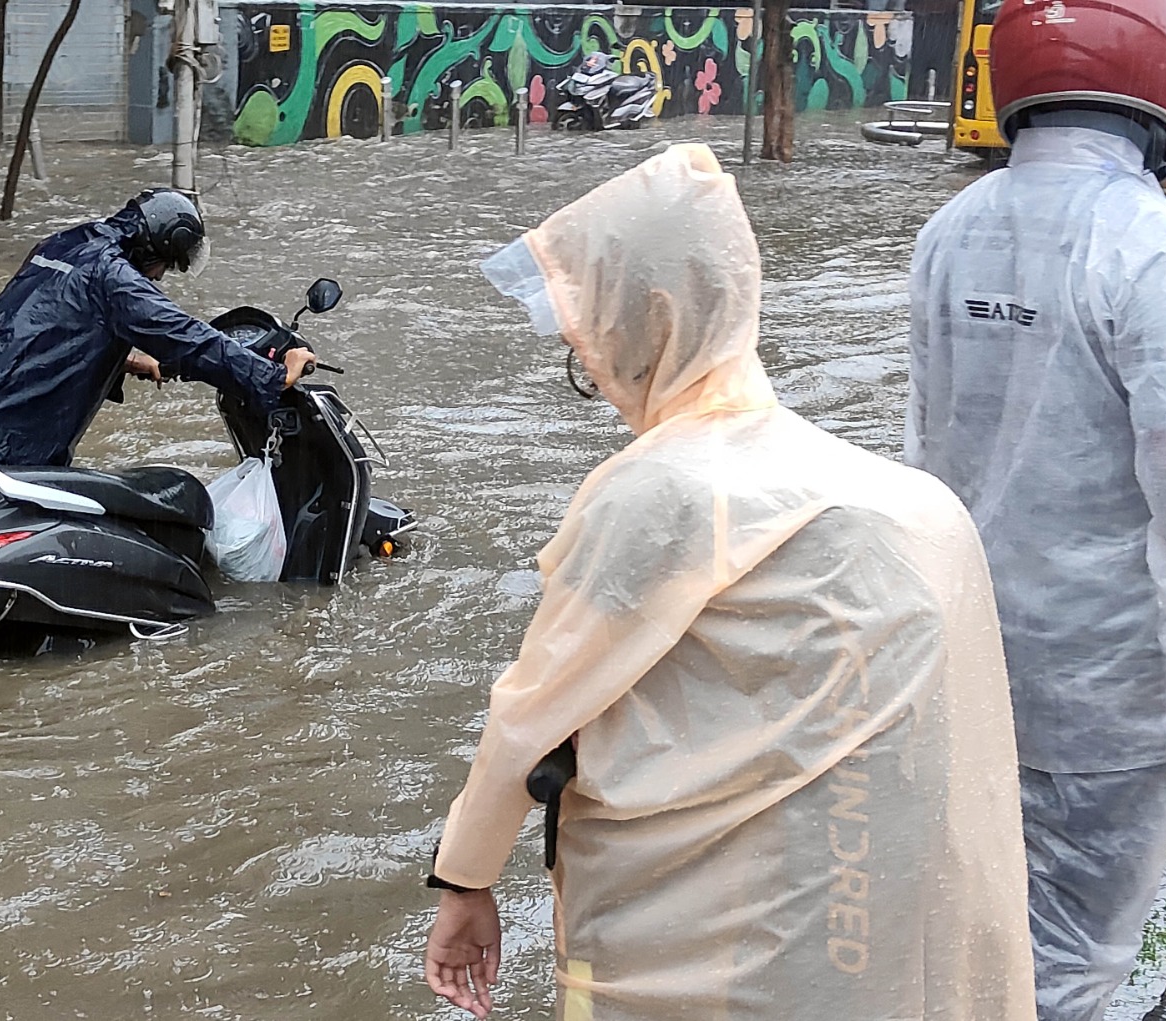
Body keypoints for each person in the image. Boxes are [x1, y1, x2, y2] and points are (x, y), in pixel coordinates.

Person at [423, 143, 1036, 1021]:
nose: (590, 370)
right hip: (872, 935)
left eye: (586, 340)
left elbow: (533, 711)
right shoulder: (913, 502)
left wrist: (464, 879)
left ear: (642, 320)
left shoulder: (664, 491)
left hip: (701, 947)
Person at [903, 2, 1166, 1019]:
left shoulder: (946, 232)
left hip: (963, 657)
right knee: (1075, 958)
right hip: (1112, 690)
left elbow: (925, 449)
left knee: (975, 916)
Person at [0, 188, 316, 467]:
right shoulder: (115, 278)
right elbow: (191, 340)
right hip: (0, 439)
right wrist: (276, 375)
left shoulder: (65, 242)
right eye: (166, 265)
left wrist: (127, 360)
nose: (160, 278)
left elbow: (39, 323)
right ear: (157, 247)